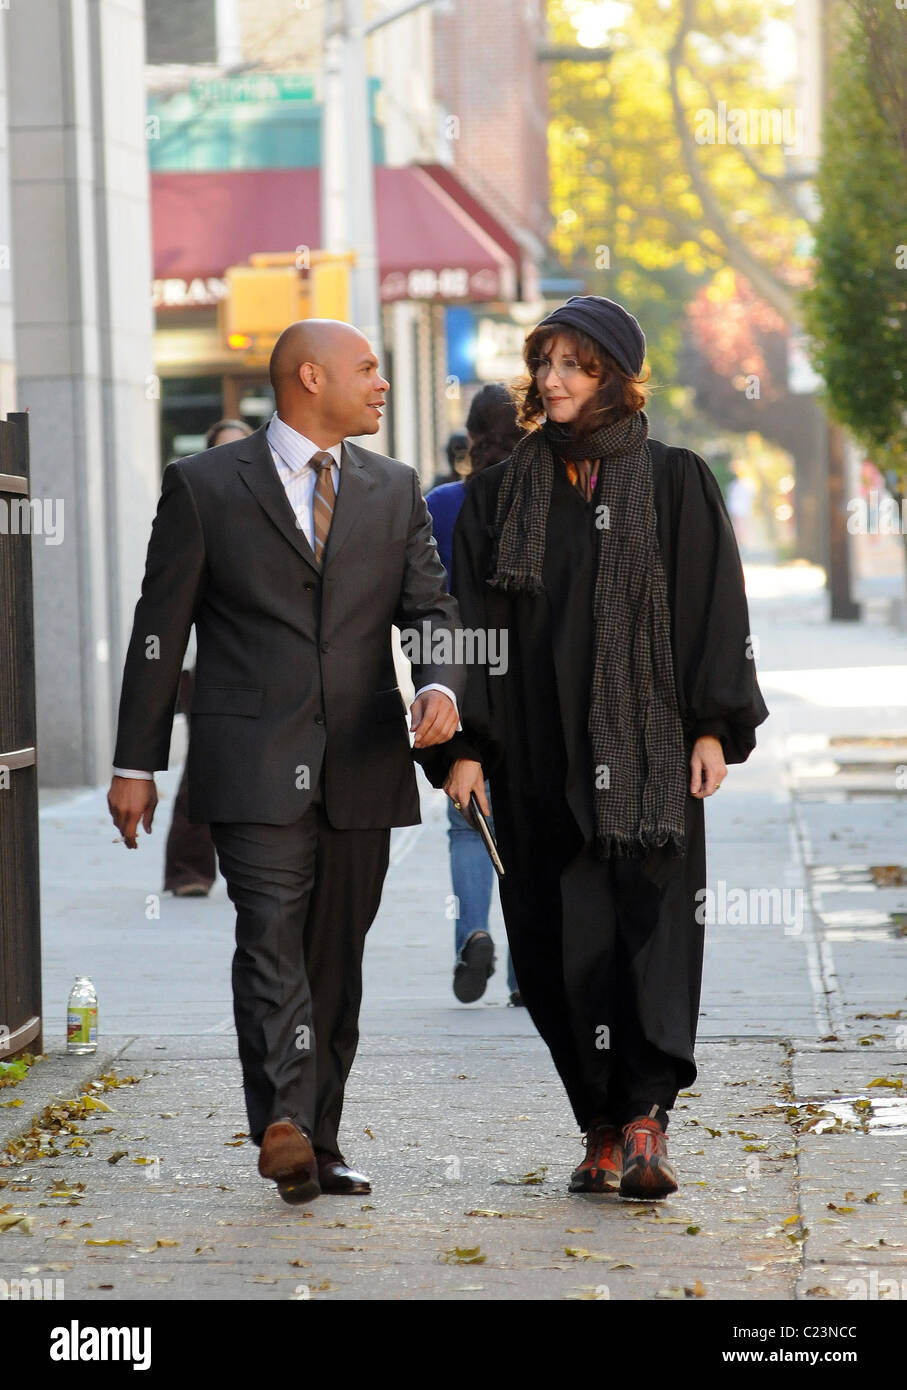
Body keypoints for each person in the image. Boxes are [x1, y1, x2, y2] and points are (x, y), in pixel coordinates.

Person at [415, 295, 768, 1201]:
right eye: (545, 363)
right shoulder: (502, 496)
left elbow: (711, 610)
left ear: (615, 375)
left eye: (576, 364)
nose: (554, 380)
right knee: (552, 948)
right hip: (535, 759)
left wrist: (710, 727)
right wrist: (465, 750)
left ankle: (647, 1117)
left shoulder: (675, 479)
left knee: (648, 937)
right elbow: (473, 624)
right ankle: (598, 1126)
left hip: (651, 757)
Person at [108, 319, 465, 1204]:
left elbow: (430, 611)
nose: (382, 385)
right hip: (250, 760)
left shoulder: (392, 487)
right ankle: (283, 1126)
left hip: (364, 762)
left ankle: (320, 1138)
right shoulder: (201, 487)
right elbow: (161, 632)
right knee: (269, 938)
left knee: (333, 959)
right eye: (368, 369)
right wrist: (135, 762)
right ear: (310, 377)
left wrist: (442, 688)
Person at [425, 386, 522, 1005]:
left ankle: (474, 932)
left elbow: (423, 604)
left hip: (464, 677)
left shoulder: (443, 504)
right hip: (531, 689)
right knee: (528, 834)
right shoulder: (542, 499)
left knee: (468, 826)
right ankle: (523, 976)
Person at [163, 418, 253, 897]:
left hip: (264, 665)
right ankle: (189, 869)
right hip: (207, 666)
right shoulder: (194, 504)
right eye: (224, 451)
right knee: (203, 765)